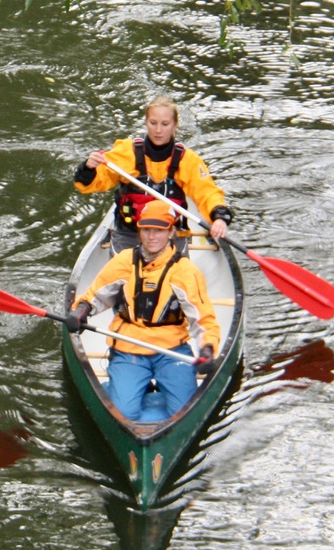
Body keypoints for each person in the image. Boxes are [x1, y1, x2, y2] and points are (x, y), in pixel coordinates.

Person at [67, 200, 219, 421]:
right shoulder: (124, 261)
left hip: (172, 350)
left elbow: (203, 319)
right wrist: (81, 311)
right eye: (146, 230)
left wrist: (207, 349)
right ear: (139, 232)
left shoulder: (185, 271)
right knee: (124, 414)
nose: (151, 236)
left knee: (184, 413)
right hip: (128, 347)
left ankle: (139, 391)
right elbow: (94, 296)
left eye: (159, 230)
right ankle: (127, 388)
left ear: (171, 232)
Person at [73, 95, 232, 253]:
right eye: (153, 123)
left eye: (165, 124)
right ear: (146, 122)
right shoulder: (127, 152)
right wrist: (89, 168)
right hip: (130, 233)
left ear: (175, 125)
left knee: (176, 269)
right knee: (123, 270)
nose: (158, 130)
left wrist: (219, 217)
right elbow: (89, 185)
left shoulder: (188, 160)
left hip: (170, 233)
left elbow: (207, 192)